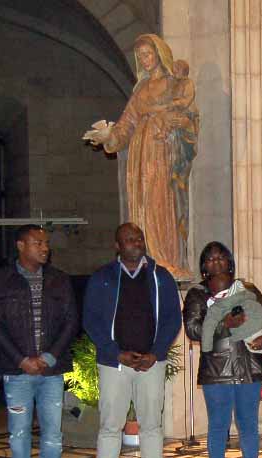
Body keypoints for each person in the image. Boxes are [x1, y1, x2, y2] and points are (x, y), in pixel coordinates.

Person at [83, 223, 182, 458]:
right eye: (128, 239)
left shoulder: (161, 277)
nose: (135, 242)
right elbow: (91, 320)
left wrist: (156, 352)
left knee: (151, 424)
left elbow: (172, 319)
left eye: (139, 238)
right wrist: (115, 352)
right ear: (117, 245)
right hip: (115, 363)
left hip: (151, 362)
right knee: (110, 425)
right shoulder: (102, 278)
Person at [83, 34, 199, 277]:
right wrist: (108, 137)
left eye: (148, 54)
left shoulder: (174, 84)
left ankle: (166, 258)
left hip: (162, 149)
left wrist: (176, 121)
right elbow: (126, 124)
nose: (145, 60)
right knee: (143, 203)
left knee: (160, 202)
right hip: (139, 153)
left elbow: (188, 115)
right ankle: (146, 258)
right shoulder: (141, 90)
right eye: (140, 56)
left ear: (159, 54)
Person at [0, 225, 79, 458]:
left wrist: (49, 357)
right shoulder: (1, 280)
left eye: (46, 243)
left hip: (51, 372)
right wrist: (21, 360)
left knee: (53, 432)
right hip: (17, 373)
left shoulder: (59, 280)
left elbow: (71, 322)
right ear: (20, 245)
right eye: (37, 242)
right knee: (19, 433)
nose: (44, 247)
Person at [183, 242, 262, 458]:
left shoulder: (247, 290)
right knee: (218, 427)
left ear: (230, 262)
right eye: (210, 259)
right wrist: (224, 324)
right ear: (203, 266)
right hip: (216, 371)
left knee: (248, 425)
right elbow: (193, 330)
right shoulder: (197, 295)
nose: (216, 262)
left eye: (220, 258)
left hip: (248, 367)